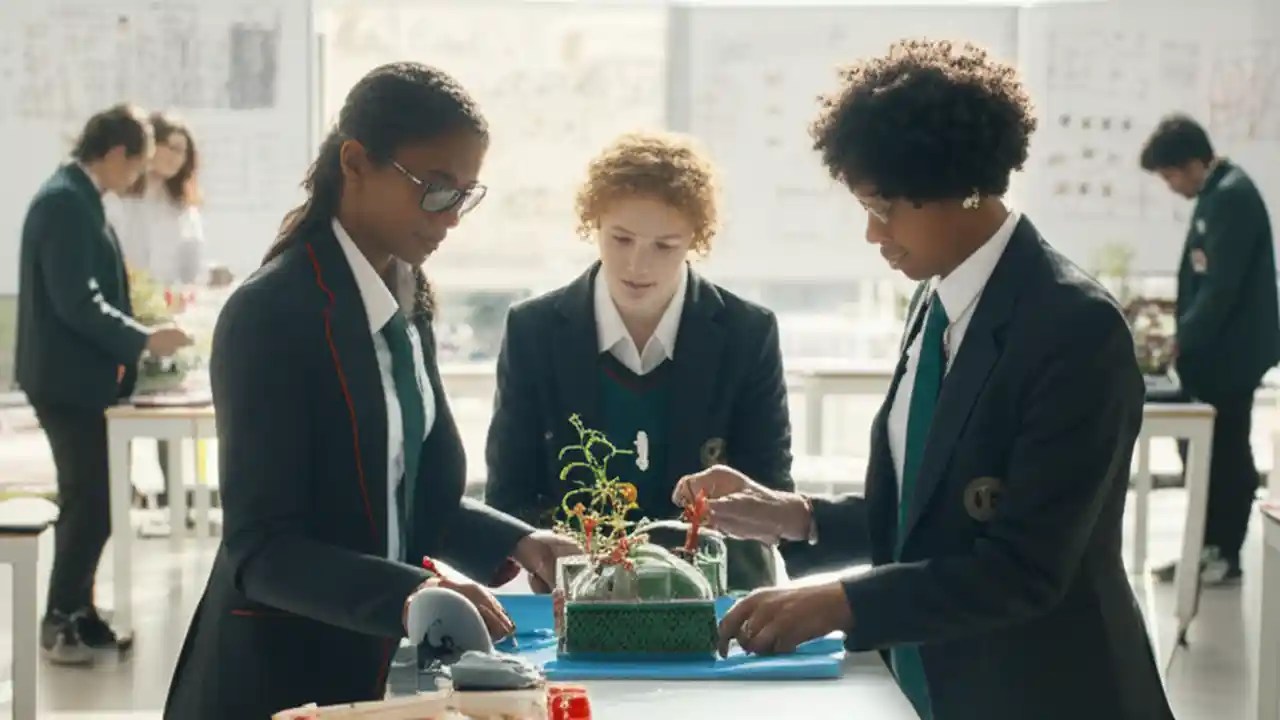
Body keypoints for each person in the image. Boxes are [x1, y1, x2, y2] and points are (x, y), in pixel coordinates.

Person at [673, 40, 1173, 719]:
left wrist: (839, 602)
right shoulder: (935, 300)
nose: (873, 236)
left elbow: (1024, 568)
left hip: (1048, 691)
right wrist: (797, 516)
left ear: (962, 187)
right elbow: (925, 515)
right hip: (942, 682)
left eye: (883, 208)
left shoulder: (1076, 330)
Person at [163, 63, 580, 720]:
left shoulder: (407, 299)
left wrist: (517, 542)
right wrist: (411, 594)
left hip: (371, 672)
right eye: (435, 190)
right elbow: (261, 549)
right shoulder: (271, 314)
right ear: (356, 163)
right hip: (273, 682)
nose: (451, 218)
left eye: (465, 195)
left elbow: (410, 499)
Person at [483, 131, 792, 591]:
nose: (637, 264)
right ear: (594, 224)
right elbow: (509, 494)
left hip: (718, 598)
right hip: (577, 598)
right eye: (621, 239)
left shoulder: (748, 333)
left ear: (696, 240)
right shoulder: (534, 330)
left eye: (664, 245)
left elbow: (770, 493)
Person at [15, 103, 193, 665]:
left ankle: (79, 612)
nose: (138, 178)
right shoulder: (65, 202)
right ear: (116, 154)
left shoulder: (78, 196)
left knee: (99, 501)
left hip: (77, 379)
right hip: (65, 382)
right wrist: (143, 338)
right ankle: (60, 620)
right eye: (137, 165)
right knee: (89, 503)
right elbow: (77, 301)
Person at [1140, 114, 1279, 585]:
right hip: (1217, 353)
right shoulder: (1217, 194)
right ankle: (1205, 547)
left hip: (1230, 356)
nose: (1170, 185)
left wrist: (1183, 339)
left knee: (1224, 457)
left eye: (1170, 174)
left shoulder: (1230, 197)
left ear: (1194, 161)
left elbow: (1220, 288)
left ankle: (1222, 551)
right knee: (1208, 455)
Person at [108, 111, 205, 287]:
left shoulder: (182, 207)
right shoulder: (118, 197)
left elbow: (192, 267)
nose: (177, 158)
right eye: (173, 148)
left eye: (183, 152)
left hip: (166, 302)